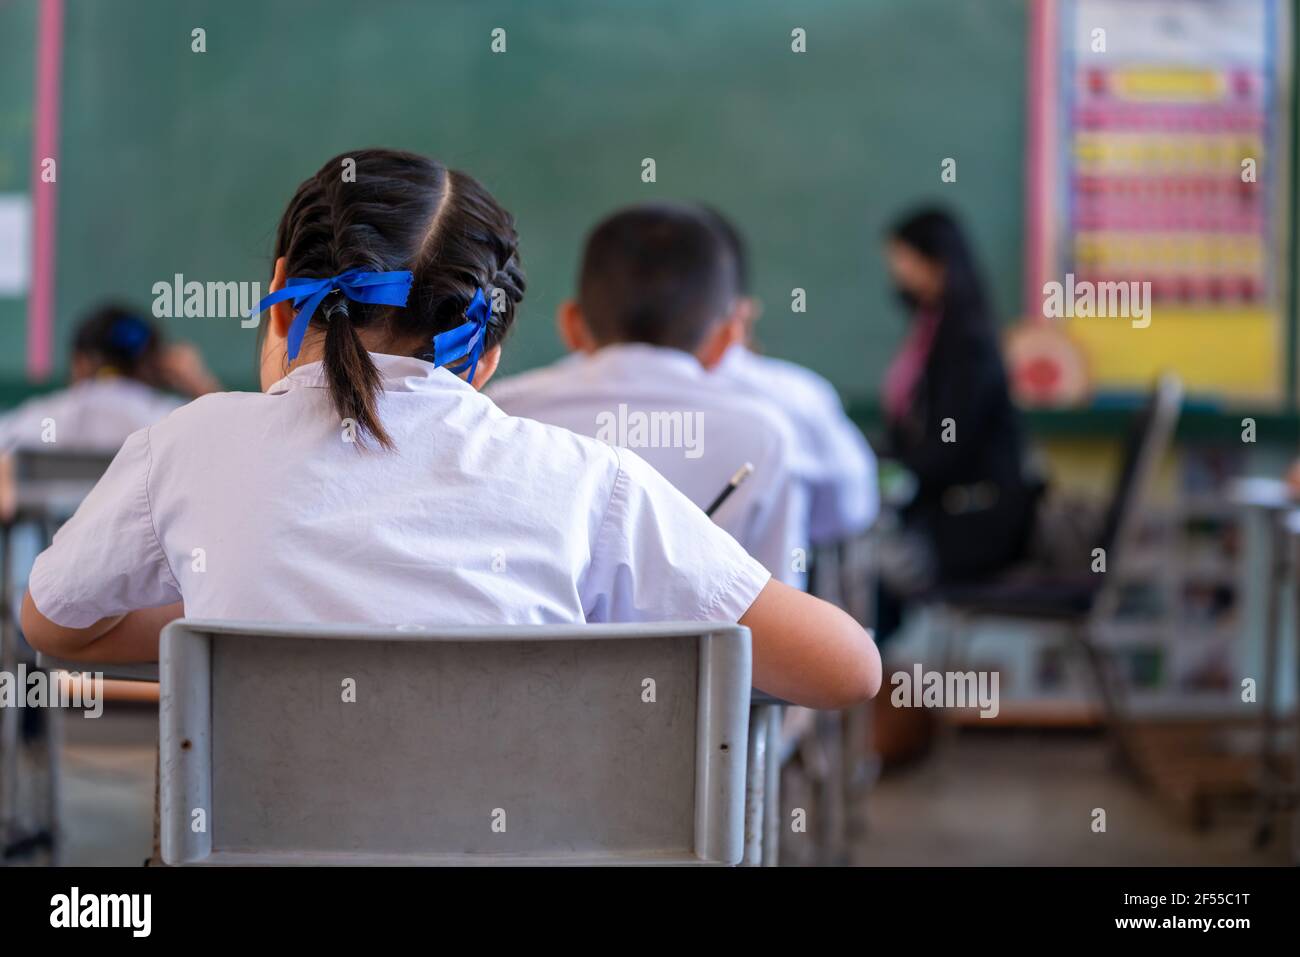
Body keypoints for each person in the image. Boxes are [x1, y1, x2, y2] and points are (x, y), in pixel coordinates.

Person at [20, 149, 878, 709]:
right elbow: (849, 669)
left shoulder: (186, 445)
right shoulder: (586, 481)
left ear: (282, 286)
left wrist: (219, 632)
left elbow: (54, 623)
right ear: (489, 349)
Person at [490, 202, 809, 587]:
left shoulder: (503, 412)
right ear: (726, 338)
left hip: (536, 647)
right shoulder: (764, 434)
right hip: (712, 648)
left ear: (572, 325)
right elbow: (783, 591)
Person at [876, 207, 1037, 638]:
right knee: (861, 564)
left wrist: (889, 480)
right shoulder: (933, 329)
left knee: (872, 574)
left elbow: (948, 447)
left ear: (935, 262)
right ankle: (849, 687)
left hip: (976, 520)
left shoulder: (966, 341)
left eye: (903, 260)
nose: (896, 273)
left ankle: (848, 683)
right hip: (946, 510)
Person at [700, 206, 879, 546]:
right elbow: (853, 508)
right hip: (776, 595)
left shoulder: (565, 395)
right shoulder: (795, 398)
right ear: (740, 315)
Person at [0, 304, 219, 454]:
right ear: (154, 366)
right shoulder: (170, 422)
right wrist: (200, 384)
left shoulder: (47, 421)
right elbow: (226, 442)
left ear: (80, 362)